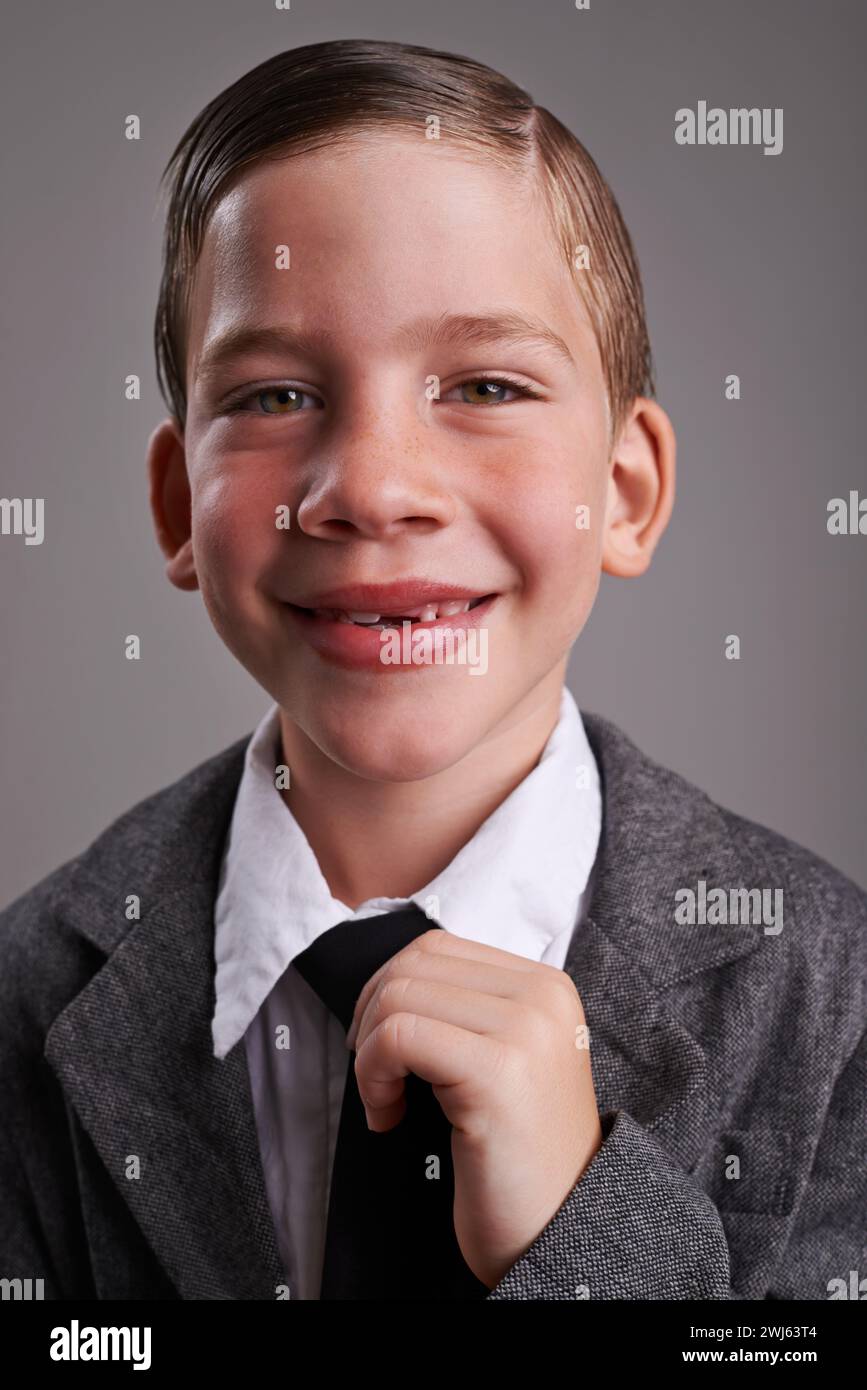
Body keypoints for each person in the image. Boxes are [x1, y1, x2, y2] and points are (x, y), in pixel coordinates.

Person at [1, 38, 864, 1302]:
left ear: (624, 495)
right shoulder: (26, 999)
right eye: (278, 395)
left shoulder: (834, 1003)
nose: (373, 487)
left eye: (484, 383)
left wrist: (584, 1238)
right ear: (179, 504)